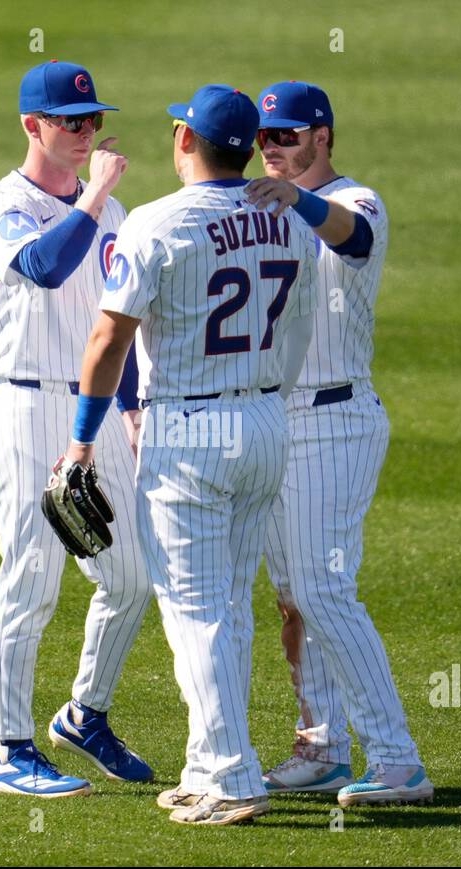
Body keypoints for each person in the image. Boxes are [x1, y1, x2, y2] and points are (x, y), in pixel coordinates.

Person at [56, 84, 317, 825]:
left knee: (197, 611)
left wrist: (81, 438)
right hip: (266, 421)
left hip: (190, 432)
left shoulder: (157, 223)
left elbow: (109, 339)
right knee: (230, 606)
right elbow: (296, 333)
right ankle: (208, 763)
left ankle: (232, 780)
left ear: (183, 142)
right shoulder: (287, 217)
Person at [244, 81, 434, 807]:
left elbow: (349, 239)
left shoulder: (359, 200)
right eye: (265, 137)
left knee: (325, 589)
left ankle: (397, 759)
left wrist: (293, 199)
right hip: (274, 421)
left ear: (324, 136)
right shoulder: (263, 201)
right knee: (293, 598)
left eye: (287, 135)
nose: (274, 148)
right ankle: (321, 745)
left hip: (338, 419)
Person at [0, 60, 153, 797]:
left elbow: (116, 324)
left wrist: (134, 409)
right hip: (23, 405)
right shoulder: (0, 204)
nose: (86, 133)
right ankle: (11, 751)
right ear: (31, 125)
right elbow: (45, 267)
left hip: (92, 407)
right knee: (32, 577)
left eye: (93, 121)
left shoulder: (109, 213)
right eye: (71, 121)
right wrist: (101, 191)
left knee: (133, 576)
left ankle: (84, 714)